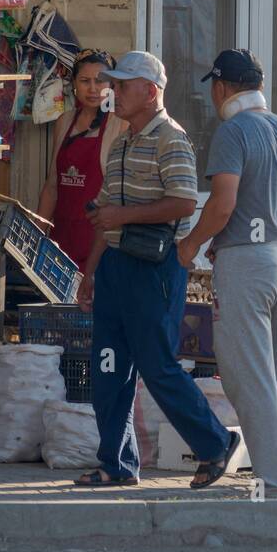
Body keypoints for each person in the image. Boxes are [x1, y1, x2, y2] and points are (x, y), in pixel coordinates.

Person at [75, 51, 238, 489]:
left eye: (122, 85)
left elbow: (185, 202)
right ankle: (116, 463)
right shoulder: (122, 140)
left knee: (157, 366)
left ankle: (215, 443)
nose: (113, 92)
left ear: (149, 91)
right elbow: (105, 215)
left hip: (155, 270)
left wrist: (120, 218)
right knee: (108, 367)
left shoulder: (171, 138)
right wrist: (90, 273)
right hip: (114, 268)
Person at [176, 49, 277, 500]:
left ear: (220, 88)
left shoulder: (232, 130)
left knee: (247, 375)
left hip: (247, 261)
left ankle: (275, 485)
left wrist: (192, 243)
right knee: (275, 370)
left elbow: (222, 204)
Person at [36, 49, 127, 269]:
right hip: (61, 241)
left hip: (101, 243)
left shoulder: (121, 124)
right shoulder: (64, 121)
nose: (93, 88)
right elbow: (52, 187)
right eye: (85, 81)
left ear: (112, 85)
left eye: (100, 81)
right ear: (74, 84)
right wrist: (35, 236)